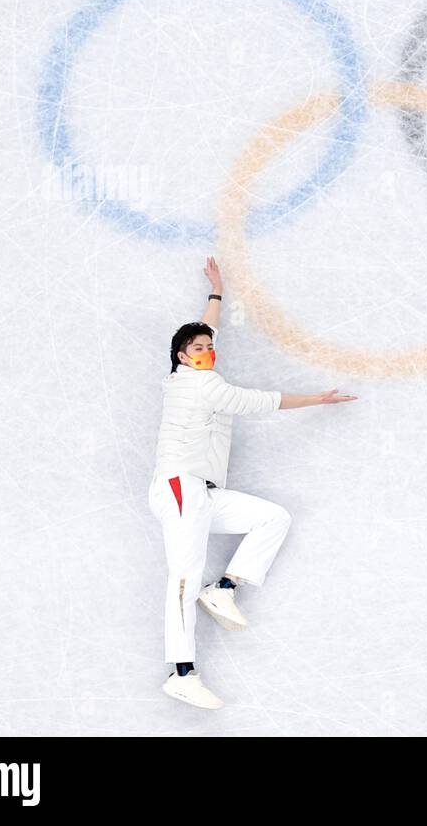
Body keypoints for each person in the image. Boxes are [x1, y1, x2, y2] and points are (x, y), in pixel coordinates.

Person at [150, 257, 356, 708]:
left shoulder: (192, 373)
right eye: (198, 347)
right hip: (181, 486)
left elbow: (209, 330)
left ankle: (223, 588)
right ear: (183, 357)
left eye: (208, 345)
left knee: (272, 518)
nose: (207, 349)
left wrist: (217, 292)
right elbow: (258, 401)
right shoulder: (199, 385)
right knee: (182, 577)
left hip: (203, 493)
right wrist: (316, 399)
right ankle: (181, 672)